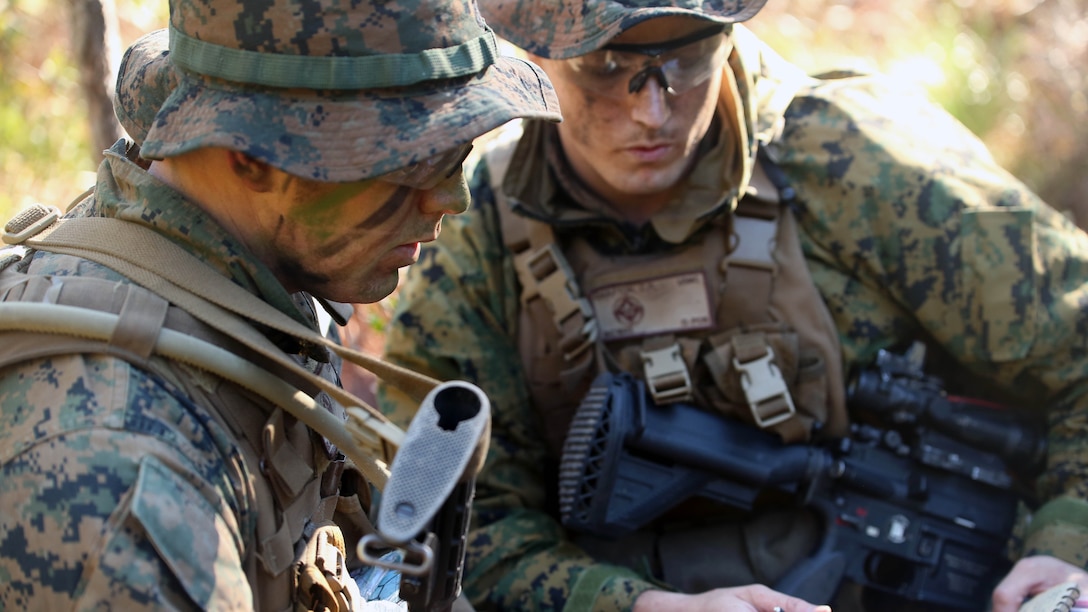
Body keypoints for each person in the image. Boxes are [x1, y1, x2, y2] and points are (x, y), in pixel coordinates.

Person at [376, 0, 1088, 610]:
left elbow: (1077, 344)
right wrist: (636, 604)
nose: (652, 110)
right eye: (608, 68)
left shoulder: (857, 164)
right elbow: (462, 529)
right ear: (538, 55)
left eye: (686, 62)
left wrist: (1065, 543)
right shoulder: (476, 243)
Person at [0, 0, 561, 608]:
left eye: (461, 151)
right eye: (418, 159)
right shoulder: (117, 485)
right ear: (252, 154)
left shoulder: (249, 265)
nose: (453, 198)